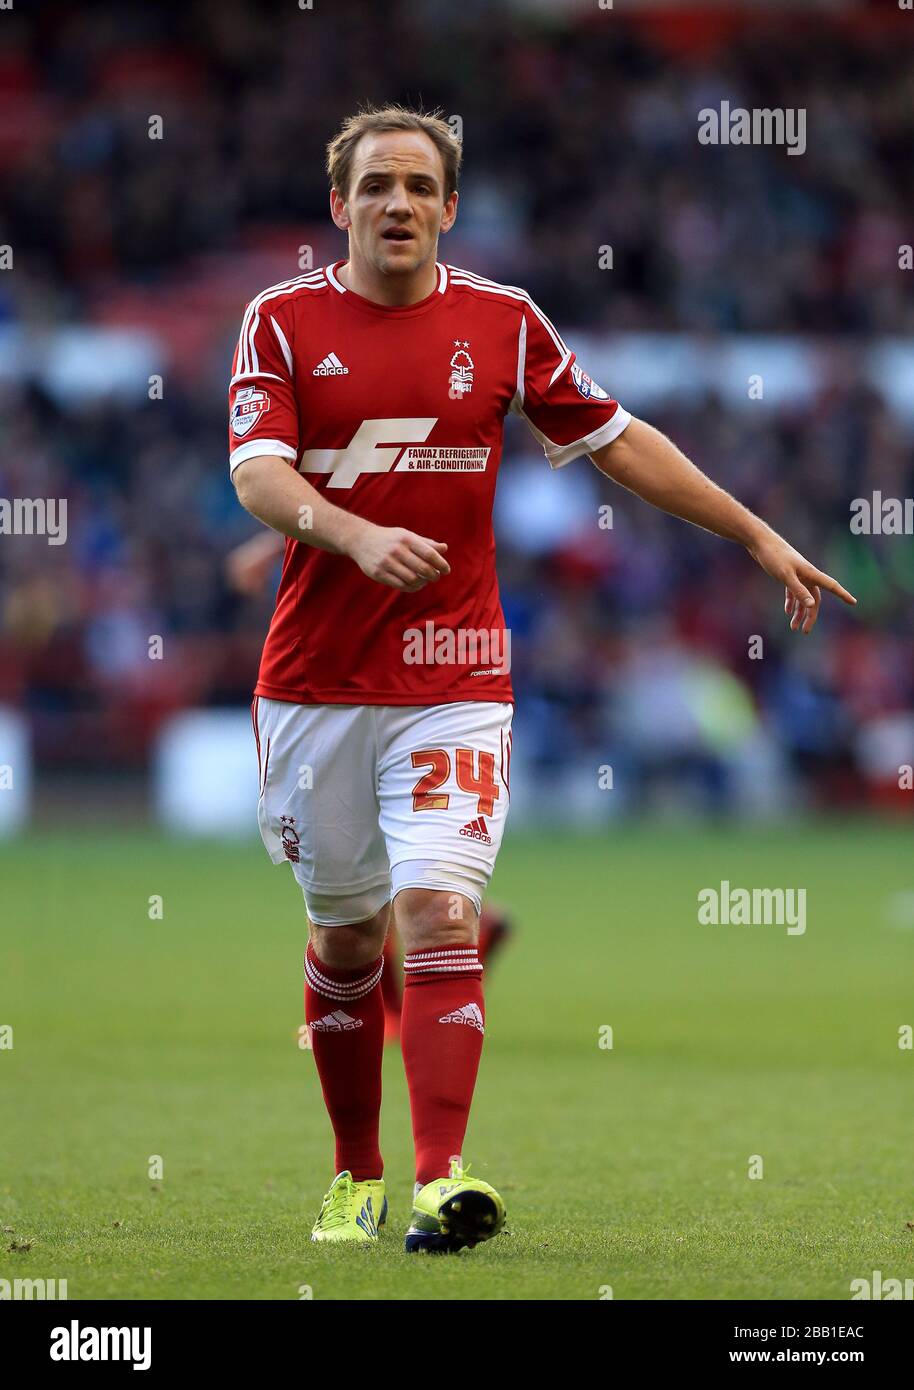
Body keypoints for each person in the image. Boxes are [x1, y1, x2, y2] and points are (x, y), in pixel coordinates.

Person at [228, 105, 855, 1253]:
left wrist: (757, 534)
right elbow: (257, 473)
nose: (398, 204)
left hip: (457, 674)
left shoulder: (503, 322)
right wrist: (355, 536)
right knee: (350, 943)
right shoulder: (280, 321)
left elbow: (617, 437)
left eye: (420, 186)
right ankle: (351, 1171)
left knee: (439, 912)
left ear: (451, 208)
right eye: (375, 187)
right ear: (339, 207)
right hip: (314, 686)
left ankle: (438, 1178)